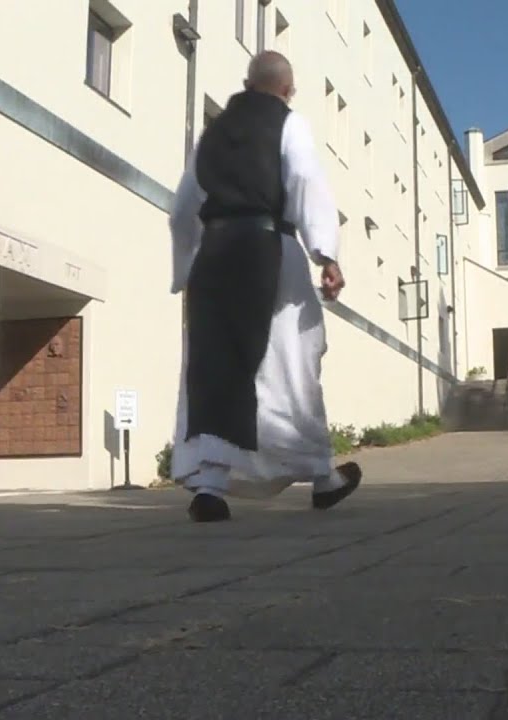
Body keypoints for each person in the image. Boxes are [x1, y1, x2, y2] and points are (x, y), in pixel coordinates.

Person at [167, 51, 361, 522]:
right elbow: (305, 181)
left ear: (246, 83)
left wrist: (183, 270)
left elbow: (182, 208)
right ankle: (322, 476)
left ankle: (210, 487)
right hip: (268, 246)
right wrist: (326, 253)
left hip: (212, 257)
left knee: (214, 366)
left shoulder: (210, 137)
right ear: (287, 90)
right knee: (293, 359)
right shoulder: (289, 123)